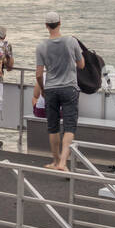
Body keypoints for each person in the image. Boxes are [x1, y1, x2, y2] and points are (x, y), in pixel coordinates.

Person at [34, 11, 84, 170]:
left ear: (46, 26)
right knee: (69, 127)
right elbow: (81, 64)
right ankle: (63, 162)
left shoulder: (41, 46)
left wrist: (42, 89)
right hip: (69, 88)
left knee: (53, 126)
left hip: (51, 89)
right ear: (60, 23)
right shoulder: (71, 41)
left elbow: (38, 74)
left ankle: (55, 161)